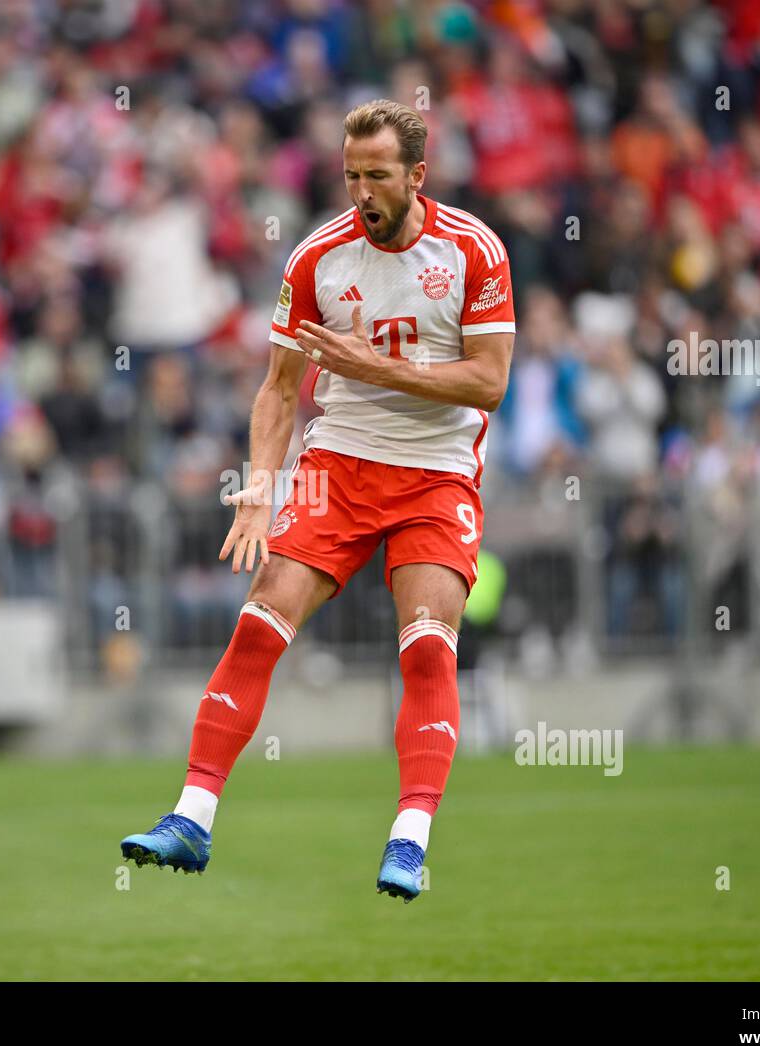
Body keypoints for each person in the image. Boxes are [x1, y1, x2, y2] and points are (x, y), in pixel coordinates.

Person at [120, 100, 514, 902]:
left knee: (429, 646)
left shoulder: (474, 250)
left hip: (437, 471)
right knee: (262, 617)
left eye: (378, 176)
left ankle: (410, 838)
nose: (363, 191)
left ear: (417, 175)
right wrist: (260, 489)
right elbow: (277, 390)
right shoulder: (317, 260)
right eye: (351, 175)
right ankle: (192, 817)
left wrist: (374, 369)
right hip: (340, 464)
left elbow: (489, 381)